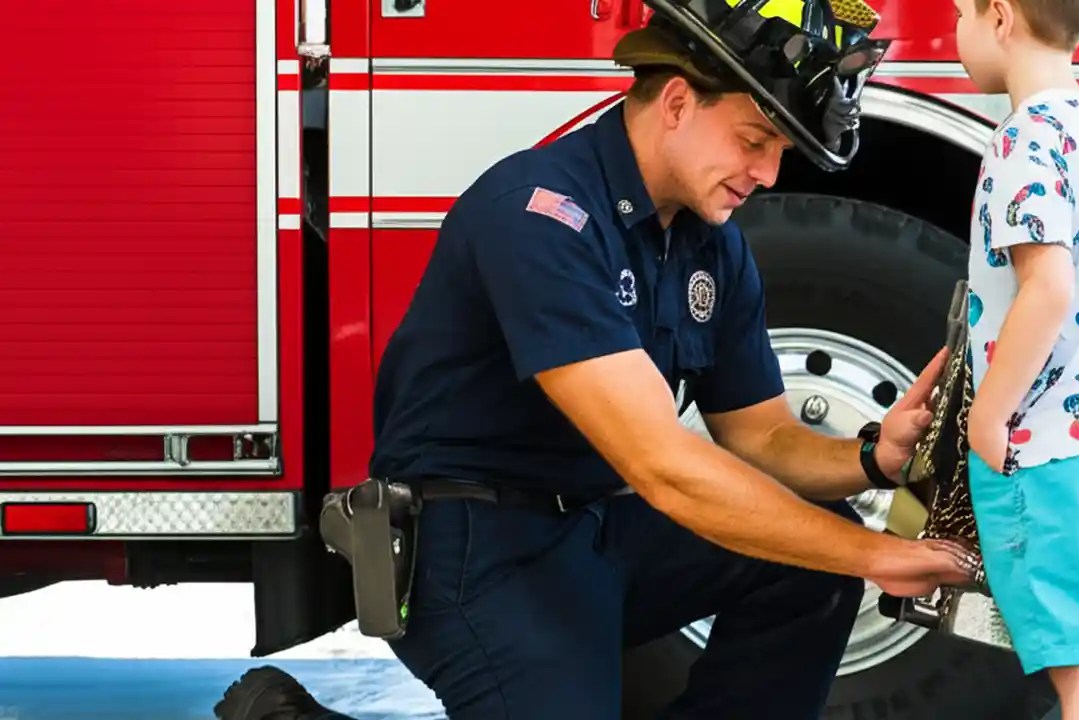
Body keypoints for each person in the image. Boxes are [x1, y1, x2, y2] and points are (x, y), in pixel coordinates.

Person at [215, 2, 978, 718]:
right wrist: (876, 555)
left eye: (781, 151)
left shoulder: (712, 245)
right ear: (678, 103)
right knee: (835, 551)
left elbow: (764, 440)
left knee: (809, 557)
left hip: (595, 531)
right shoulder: (542, 214)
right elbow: (664, 468)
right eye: (755, 140)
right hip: (474, 549)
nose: (770, 174)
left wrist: (876, 458)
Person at [953, 0, 1079, 718]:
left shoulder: (1022, 140)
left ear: (1001, 18)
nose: (956, 32)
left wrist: (989, 414)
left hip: (1050, 452)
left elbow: (1047, 287)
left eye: (959, 13)